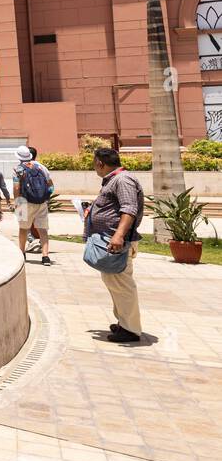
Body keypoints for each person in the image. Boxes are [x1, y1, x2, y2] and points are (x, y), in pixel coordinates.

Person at [85, 147, 145, 344]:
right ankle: (124, 322)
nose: (94, 167)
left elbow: (129, 209)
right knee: (114, 283)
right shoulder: (115, 179)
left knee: (122, 284)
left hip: (116, 242)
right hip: (109, 241)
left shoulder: (122, 180)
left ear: (100, 163)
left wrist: (118, 236)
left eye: (94, 163)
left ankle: (130, 329)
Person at [13, 145, 53, 266]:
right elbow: (51, 185)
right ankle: (45, 256)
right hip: (41, 202)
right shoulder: (41, 167)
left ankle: (22, 252)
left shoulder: (17, 169)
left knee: (23, 228)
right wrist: (45, 197)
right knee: (43, 229)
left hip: (23, 202)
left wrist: (17, 202)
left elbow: (16, 187)